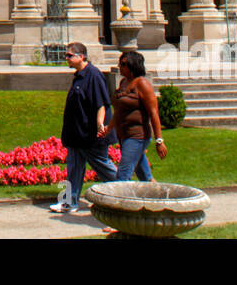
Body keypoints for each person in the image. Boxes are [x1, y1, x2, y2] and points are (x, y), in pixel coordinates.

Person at [49, 42, 118, 213]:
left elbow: (101, 104)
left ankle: (126, 192)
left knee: (103, 167)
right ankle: (70, 202)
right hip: (76, 135)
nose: (67, 58)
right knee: (74, 169)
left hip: (90, 136)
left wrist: (100, 126)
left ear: (82, 56)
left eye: (69, 55)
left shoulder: (93, 75)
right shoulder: (79, 76)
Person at [99, 50, 167, 183]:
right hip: (124, 135)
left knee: (123, 175)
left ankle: (118, 203)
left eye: (123, 64)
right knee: (145, 177)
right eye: (119, 63)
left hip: (137, 136)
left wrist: (159, 141)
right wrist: (109, 128)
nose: (120, 66)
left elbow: (153, 114)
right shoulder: (124, 82)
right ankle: (159, 198)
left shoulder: (143, 84)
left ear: (133, 65)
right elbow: (119, 110)